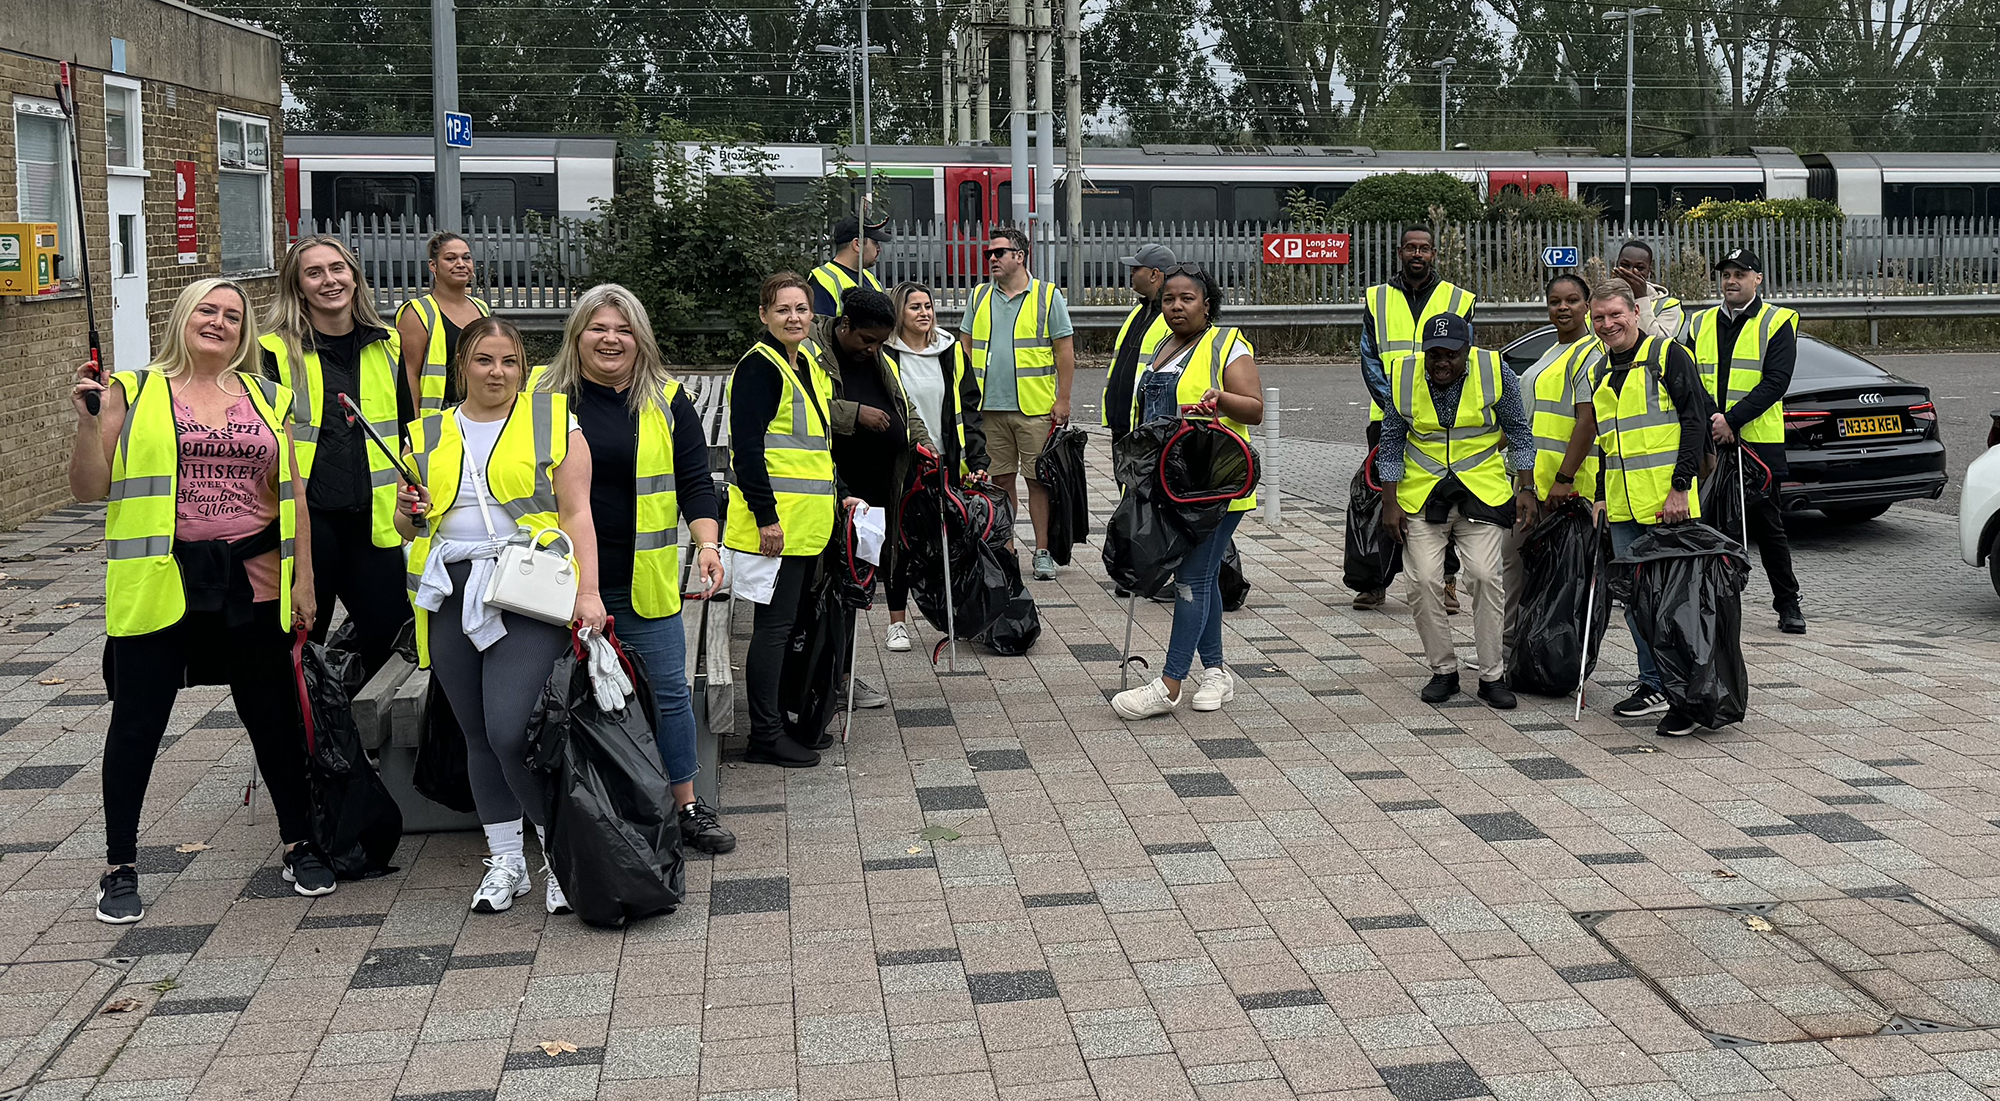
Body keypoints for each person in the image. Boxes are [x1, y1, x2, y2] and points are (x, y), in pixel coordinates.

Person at [69, 278, 327, 924]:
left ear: (244, 332)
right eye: (207, 311)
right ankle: (119, 865)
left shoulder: (270, 397)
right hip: (164, 577)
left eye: (232, 316)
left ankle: (298, 842)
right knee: (137, 721)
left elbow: (292, 494)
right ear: (182, 318)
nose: (219, 322)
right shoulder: (135, 390)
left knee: (272, 716)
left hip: (254, 575)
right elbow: (88, 487)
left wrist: (305, 581)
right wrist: (89, 421)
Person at [399, 316, 606, 915]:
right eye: (485, 360)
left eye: (509, 361)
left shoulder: (553, 419)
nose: (498, 372)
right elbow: (401, 525)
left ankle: (559, 852)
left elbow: (576, 516)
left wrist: (587, 594)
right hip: (449, 587)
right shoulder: (426, 432)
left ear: (523, 365)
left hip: (527, 585)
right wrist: (411, 512)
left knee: (511, 728)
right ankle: (506, 860)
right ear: (462, 363)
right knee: (477, 734)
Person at [536, 284, 735, 856]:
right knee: (567, 696)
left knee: (670, 694)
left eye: (623, 330)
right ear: (576, 335)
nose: (611, 339)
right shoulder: (545, 400)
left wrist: (707, 545)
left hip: (641, 577)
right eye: (598, 328)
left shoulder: (667, 400)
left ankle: (686, 807)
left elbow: (697, 484)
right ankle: (578, 809)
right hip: (562, 582)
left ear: (640, 338)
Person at [1110, 266, 1262, 720]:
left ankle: (1170, 684)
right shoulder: (1163, 346)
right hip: (1172, 485)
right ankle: (1215, 672)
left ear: (1207, 303)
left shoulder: (1228, 344)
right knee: (1205, 575)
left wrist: (1221, 400)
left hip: (1217, 486)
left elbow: (1253, 409)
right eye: (1169, 299)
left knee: (1192, 578)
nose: (1176, 306)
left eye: (1187, 299)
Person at [261, 235, 413, 681]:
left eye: (337, 269)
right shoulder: (272, 351)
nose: (329, 280)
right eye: (314, 272)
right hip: (310, 521)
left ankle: (365, 744)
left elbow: (405, 430)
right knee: (303, 642)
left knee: (391, 643)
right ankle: (305, 747)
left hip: (374, 521)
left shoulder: (387, 344)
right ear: (298, 287)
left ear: (353, 276)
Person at [1378, 314, 1536, 709]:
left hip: (1480, 490)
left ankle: (1491, 675)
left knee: (1484, 576)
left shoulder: (1496, 370)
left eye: (1451, 354)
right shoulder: (1402, 375)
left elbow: (1518, 431)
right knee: (1423, 582)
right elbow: (1392, 441)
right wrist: (1389, 502)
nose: (1441, 362)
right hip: (1422, 493)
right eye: (1434, 354)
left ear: (1468, 350)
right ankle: (1443, 671)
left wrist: (1527, 487)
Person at [729, 273, 839, 768]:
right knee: (773, 630)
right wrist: (766, 518)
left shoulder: (805, 362)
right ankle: (765, 734)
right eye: (783, 310)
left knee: (787, 624)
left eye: (801, 309)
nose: (794, 318)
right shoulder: (760, 368)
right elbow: (747, 452)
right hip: (776, 526)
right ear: (764, 316)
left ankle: (781, 722)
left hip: (804, 523)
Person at [1589, 284, 1708, 738]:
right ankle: (1654, 683)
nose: (1607, 325)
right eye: (1599, 318)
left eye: (1615, 314)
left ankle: (1687, 694)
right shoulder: (1601, 369)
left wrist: (1681, 487)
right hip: (1621, 506)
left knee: (1675, 605)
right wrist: (1600, 494)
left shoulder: (1667, 356)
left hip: (1667, 505)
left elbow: (1693, 421)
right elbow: (1606, 443)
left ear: (1635, 312)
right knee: (1638, 604)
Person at [814, 287, 928, 708]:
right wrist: (854, 413)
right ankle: (825, 678)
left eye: (880, 341)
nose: (873, 348)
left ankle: (843, 675)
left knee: (855, 585)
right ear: (845, 326)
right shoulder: (813, 352)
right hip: (836, 487)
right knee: (828, 586)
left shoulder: (877, 354)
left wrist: (921, 440)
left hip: (880, 485)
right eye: (866, 340)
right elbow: (805, 407)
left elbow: (903, 404)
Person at [1354, 225, 1475, 612]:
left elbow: (1463, 357)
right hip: (1387, 415)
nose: (1417, 254)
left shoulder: (1458, 298)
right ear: (1400, 252)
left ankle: (1446, 580)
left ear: (1434, 254)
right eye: (1410, 248)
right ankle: (1375, 581)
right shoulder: (1377, 298)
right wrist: (1396, 405)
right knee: (1384, 497)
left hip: (1443, 417)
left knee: (1445, 495)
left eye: (1424, 248)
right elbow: (1369, 357)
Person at [1686, 249, 1805, 634]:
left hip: (1756, 444)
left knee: (1768, 527)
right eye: (1726, 275)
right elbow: (1689, 378)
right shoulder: (1700, 322)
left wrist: (1732, 420)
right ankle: (1714, 604)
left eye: (1740, 274)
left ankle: (1788, 605)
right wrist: (1714, 419)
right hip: (1711, 439)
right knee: (1710, 525)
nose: (1731, 281)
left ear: (1758, 279)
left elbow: (1776, 381)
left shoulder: (1777, 321)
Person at [959, 227, 1076, 581]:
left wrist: (1064, 399)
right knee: (999, 481)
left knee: (1038, 480)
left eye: (999, 253)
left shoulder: (1045, 296)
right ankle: (1006, 548)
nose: (991, 259)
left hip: (1035, 407)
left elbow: (1064, 351)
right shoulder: (979, 296)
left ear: (1020, 256)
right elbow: (965, 347)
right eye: (988, 254)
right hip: (988, 408)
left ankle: (1042, 551)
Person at [882, 282, 991, 652]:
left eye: (928, 306)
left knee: (947, 540)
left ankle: (953, 615)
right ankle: (897, 622)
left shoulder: (950, 351)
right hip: (902, 462)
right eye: (914, 307)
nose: (924, 313)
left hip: (946, 461)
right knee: (898, 541)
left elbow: (969, 408)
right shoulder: (885, 354)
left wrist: (977, 459)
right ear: (900, 312)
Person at [1503, 274, 1604, 668]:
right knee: (1515, 563)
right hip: (1533, 481)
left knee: (1549, 571)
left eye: (1572, 300)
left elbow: (1588, 421)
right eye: (1555, 302)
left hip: (1565, 488)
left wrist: (1564, 479)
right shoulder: (1552, 350)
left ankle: (1542, 651)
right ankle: (1514, 644)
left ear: (1587, 305)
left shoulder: (1590, 353)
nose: (1563, 308)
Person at [397, 231, 492, 413]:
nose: (460, 264)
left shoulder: (481, 308)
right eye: (450, 258)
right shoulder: (417, 313)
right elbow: (409, 374)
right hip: (438, 415)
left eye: (466, 258)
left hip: (479, 412)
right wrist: (415, 426)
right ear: (433, 266)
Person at [1102, 244, 1176, 442]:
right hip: (1124, 422)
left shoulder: (1173, 318)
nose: (1132, 274)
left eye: (1136, 269)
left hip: (1148, 426)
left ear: (1154, 274)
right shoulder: (1138, 312)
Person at [808, 216, 889, 316]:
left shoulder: (870, 277)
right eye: (875, 243)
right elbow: (820, 327)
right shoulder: (822, 279)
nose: (879, 249)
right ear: (857, 245)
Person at [1610, 239, 1686, 343]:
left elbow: (1659, 343)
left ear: (1648, 272)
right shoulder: (1600, 300)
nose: (1631, 272)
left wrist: (1641, 298)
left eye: (1639, 268)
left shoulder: (1667, 306)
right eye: (1625, 265)